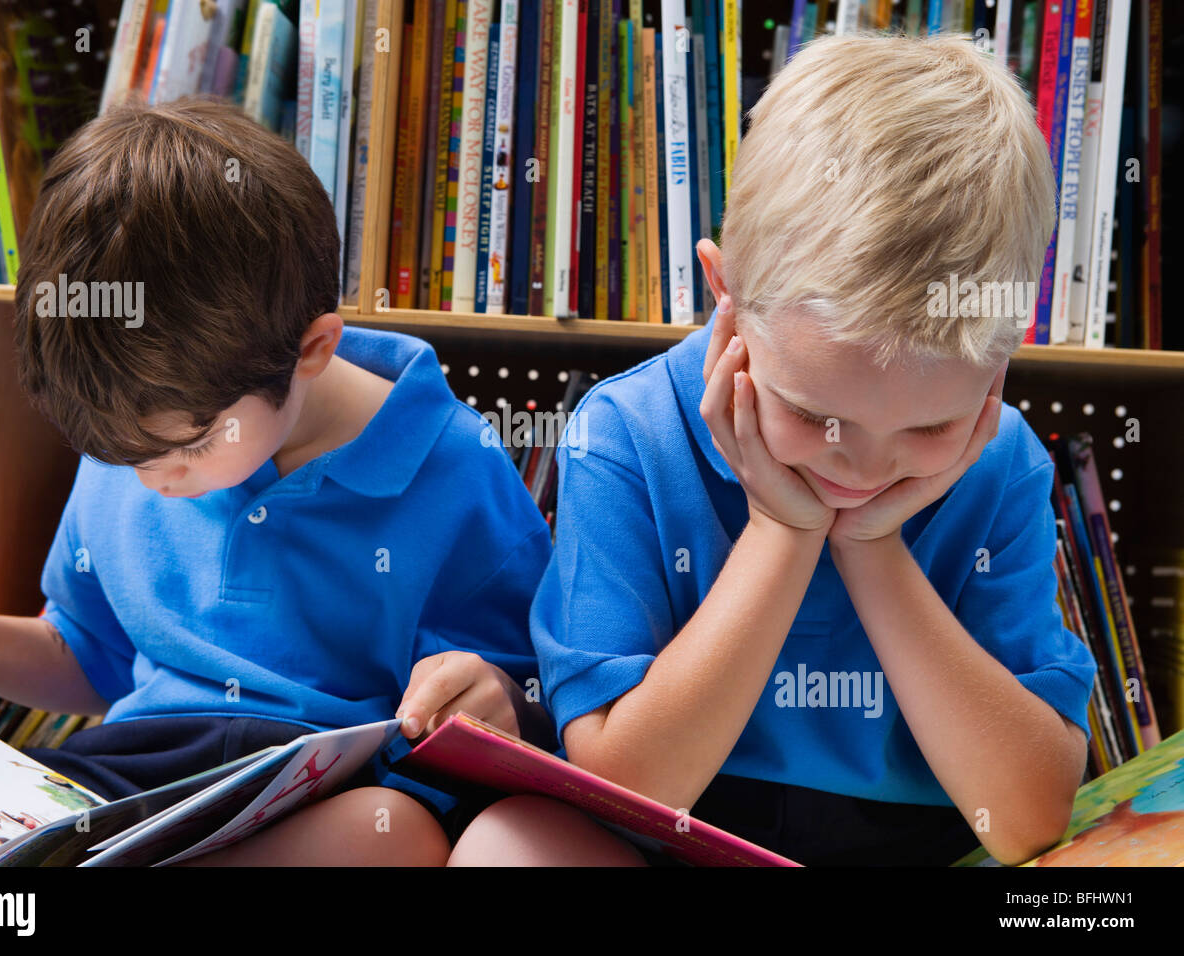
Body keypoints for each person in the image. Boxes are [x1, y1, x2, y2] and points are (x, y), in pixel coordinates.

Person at [447, 32, 1097, 867]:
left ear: (999, 365)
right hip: (675, 833)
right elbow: (628, 784)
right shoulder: (625, 435)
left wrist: (872, 547)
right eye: (812, 412)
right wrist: (781, 533)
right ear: (727, 298)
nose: (860, 470)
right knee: (509, 847)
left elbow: (1028, 819)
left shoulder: (1002, 463)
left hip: (919, 845)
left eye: (929, 428)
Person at [0, 96, 553, 866]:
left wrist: (494, 696)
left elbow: (533, 711)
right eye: (121, 457)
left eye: (186, 449)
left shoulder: (457, 471)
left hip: (310, 793)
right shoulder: (135, 434)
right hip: (126, 785)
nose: (152, 482)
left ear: (310, 350)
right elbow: (89, 654)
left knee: (392, 833)